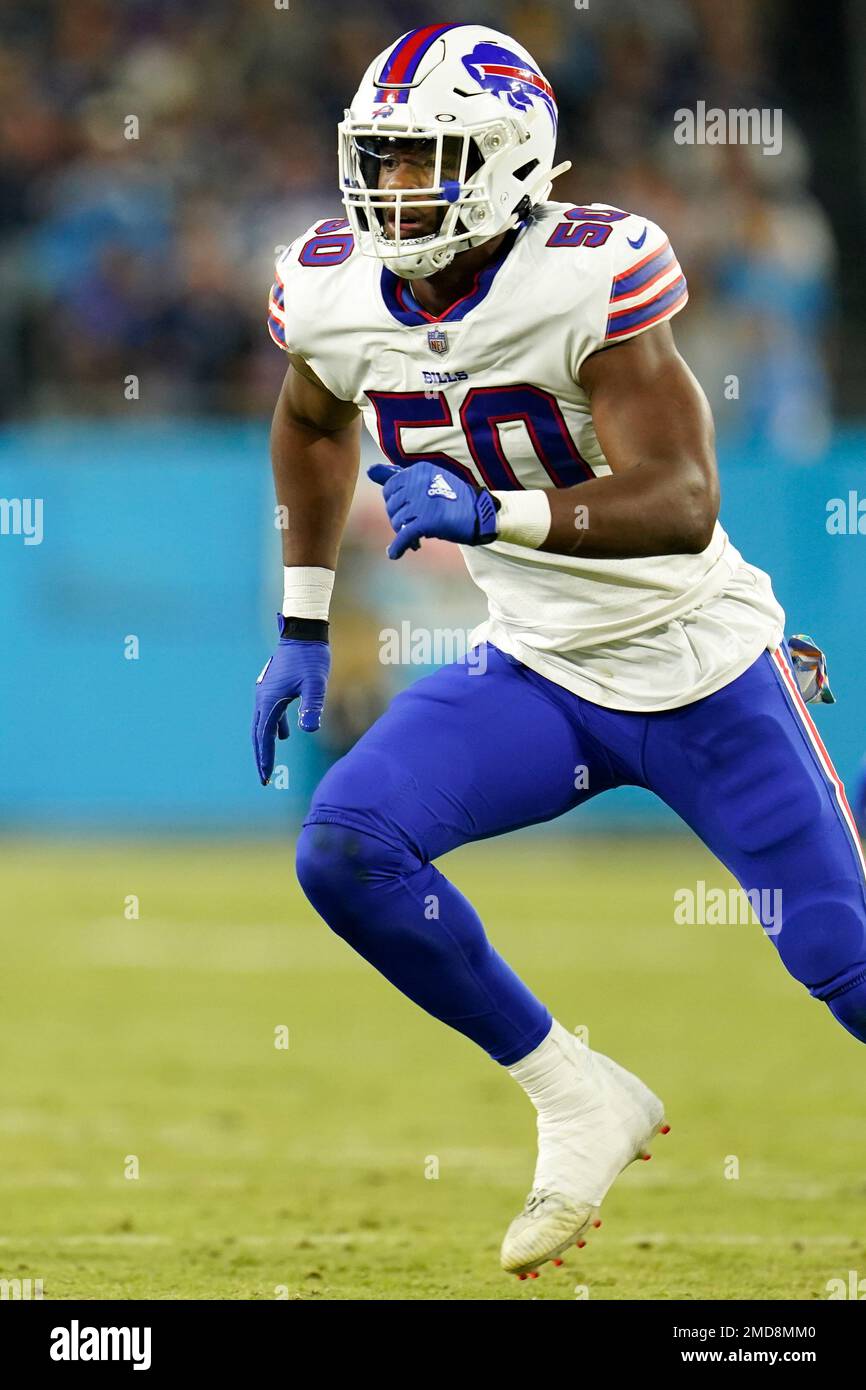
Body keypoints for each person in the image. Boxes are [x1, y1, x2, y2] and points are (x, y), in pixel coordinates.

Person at [251, 23, 866, 1278]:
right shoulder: (328, 284)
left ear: (504, 158)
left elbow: (681, 495)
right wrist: (301, 622)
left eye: (423, 160)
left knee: (847, 967)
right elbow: (312, 418)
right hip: (538, 668)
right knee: (346, 846)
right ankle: (575, 1091)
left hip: (699, 666)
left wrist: (496, 511)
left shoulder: (590, 269)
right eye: (378, 158)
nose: (391, 190)